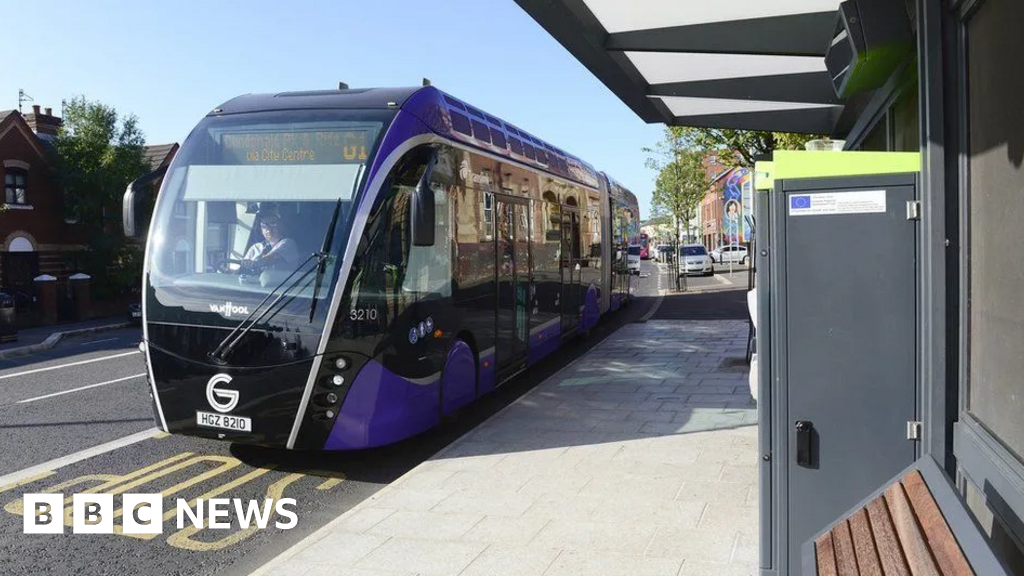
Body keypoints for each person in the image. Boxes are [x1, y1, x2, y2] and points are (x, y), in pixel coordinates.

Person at [242, 205, 300, 273]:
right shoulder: (255, 247)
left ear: (282, 225)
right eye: (264, 226)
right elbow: (243, 265)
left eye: (273, 224)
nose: (268, 230)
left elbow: (271, 258)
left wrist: (254, 263)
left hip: (281, 283)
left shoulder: (288, 244)